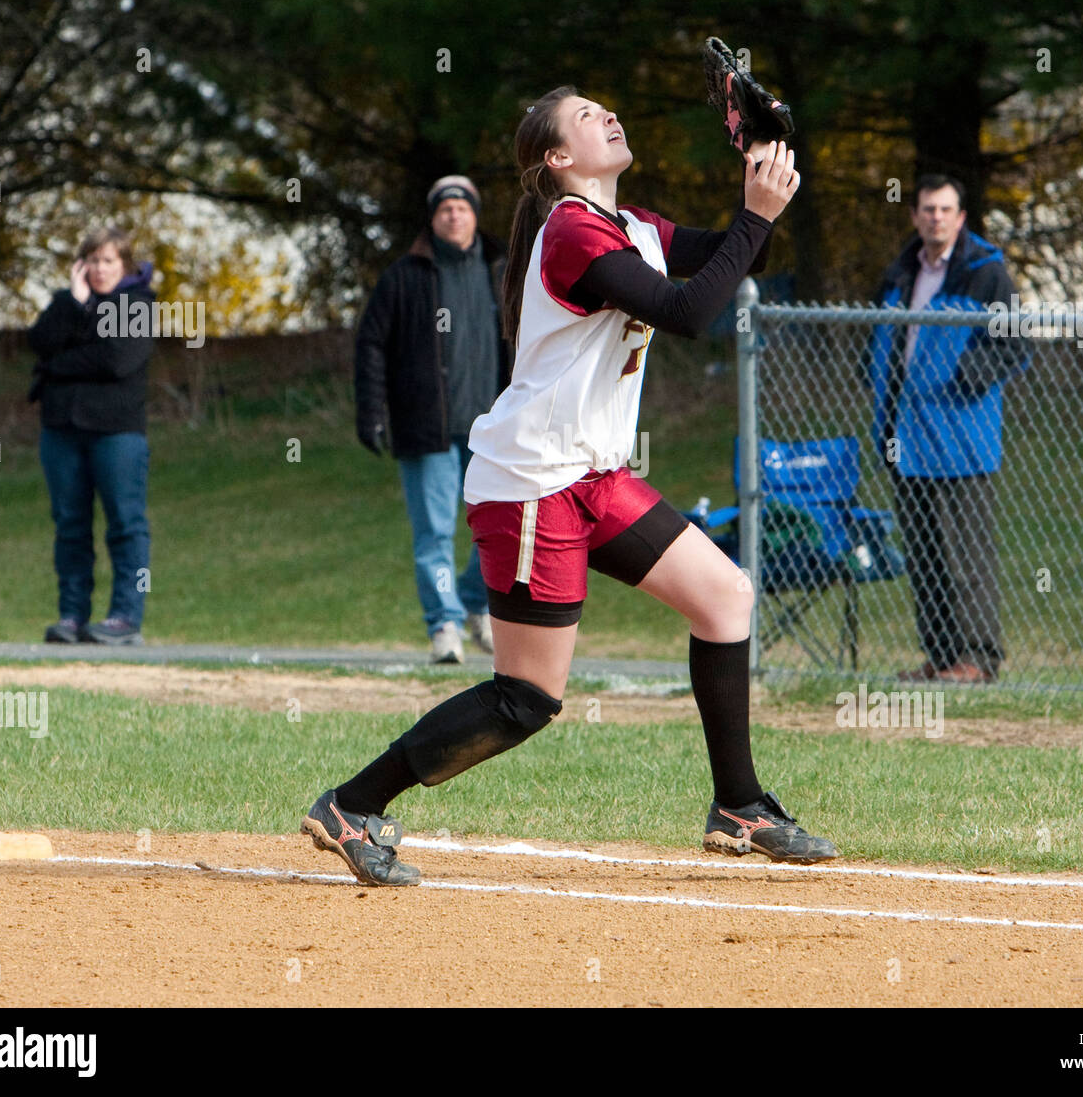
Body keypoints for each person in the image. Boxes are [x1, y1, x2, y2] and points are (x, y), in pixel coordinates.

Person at [302, 85, 838, 886]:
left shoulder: (634, 227)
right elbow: (690, 313)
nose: (608, 115)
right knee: (527, 696)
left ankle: (740, 805)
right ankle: (350, 803)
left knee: (726, 596)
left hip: (596, 476)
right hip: (531, 483)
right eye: (586, 116)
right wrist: (754, 215)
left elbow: (741, 254)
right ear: (558, 159)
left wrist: (759, 174)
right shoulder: (571, 232)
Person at [862, 175, 1030, 684]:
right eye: (927, 209)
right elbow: (877, 339)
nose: (936, 217)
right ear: (915, 215)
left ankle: (979, 660)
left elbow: (1014, 344)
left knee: (967, 558)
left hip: (960, 439)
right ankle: (940, 657)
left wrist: (961, 377)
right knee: (925, 555)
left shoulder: (985, 273)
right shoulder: (899, 275)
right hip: (903, 437)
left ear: (960, 217)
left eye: (946, 209)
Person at [354, 175, 511, 664]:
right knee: (435, 532)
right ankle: (444, 624)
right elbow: (371, 344)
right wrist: (371, 412)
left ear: (476, 214)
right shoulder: (405, 276)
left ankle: (473, 600)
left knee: (501, 523)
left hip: (495, 427)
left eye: (463, 207)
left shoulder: (502, 270)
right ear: (433, 217)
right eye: (444, 208)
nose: (454, 214)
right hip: (427, 429)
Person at [28, 227, 155, 646]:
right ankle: (72, 616)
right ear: (81, 266)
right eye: (93, 261)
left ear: (126, 265)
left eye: (109, 261)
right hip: (62, 430)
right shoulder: (67, 303)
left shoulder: (138, 304)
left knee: (126, 524)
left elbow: (116, 361)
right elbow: (38, 341)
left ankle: (126, 616)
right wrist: (77, 303)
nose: (100, 269)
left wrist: (56, 366)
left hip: (116, 433)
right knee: (70, 526)